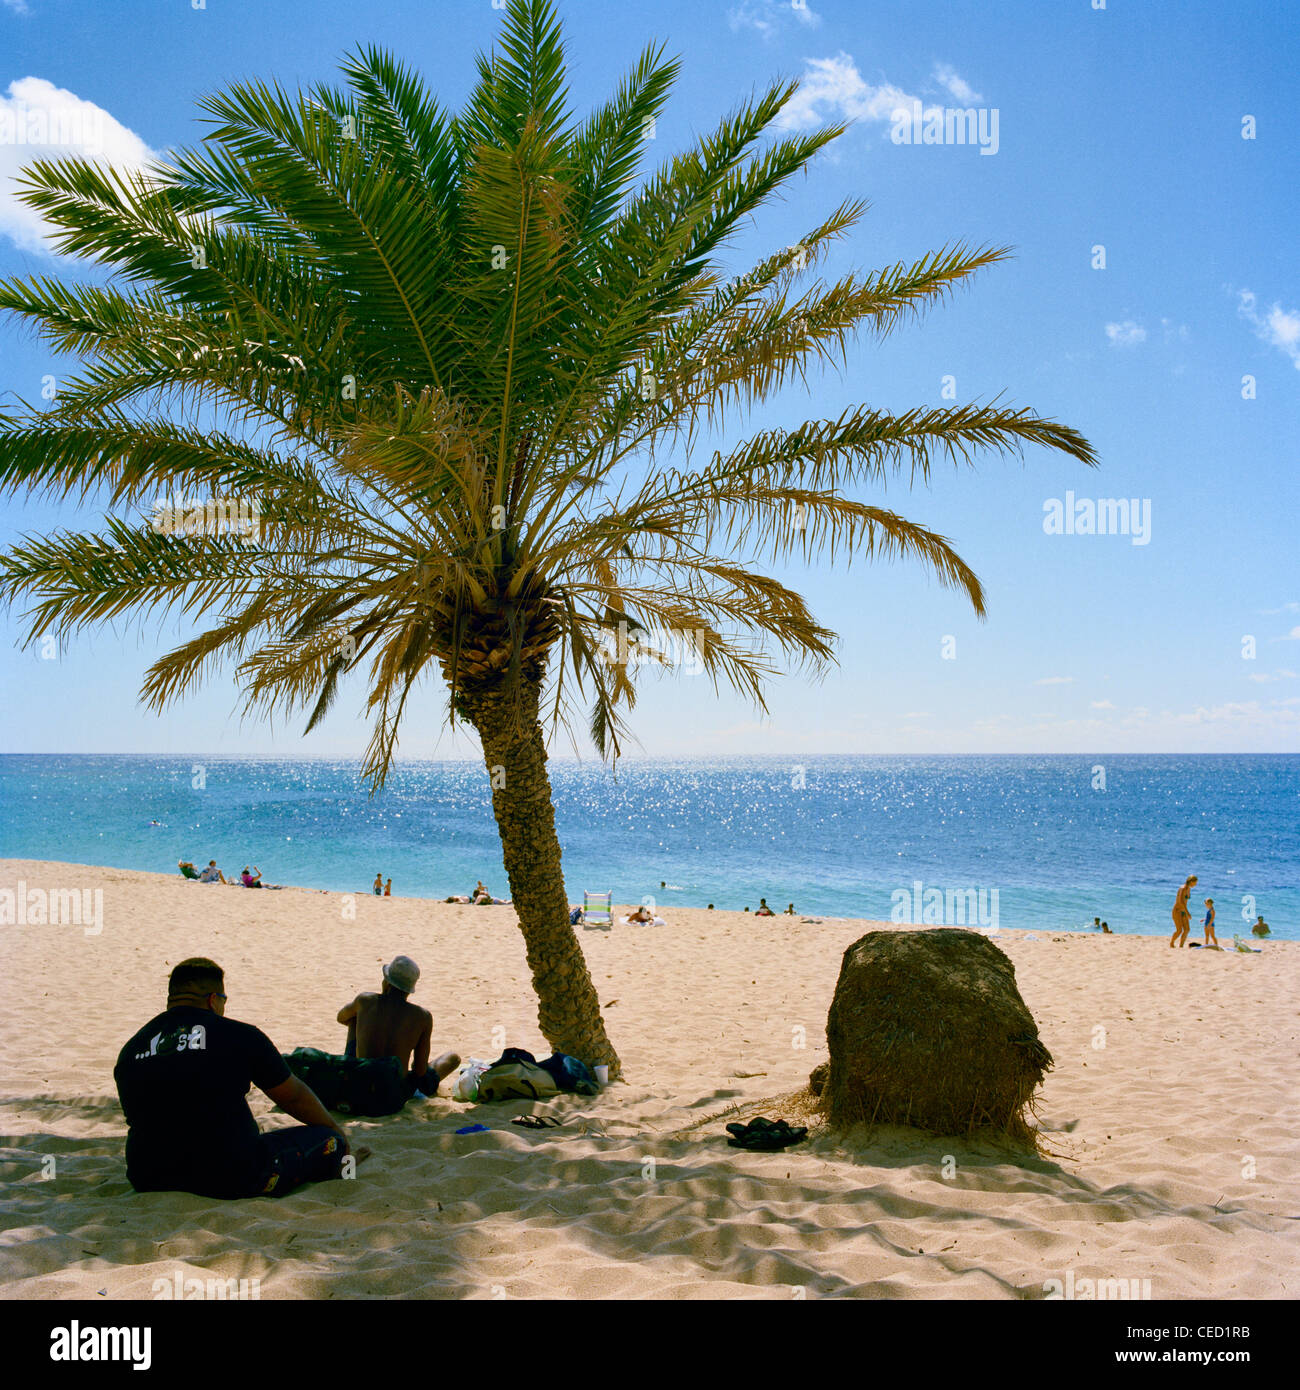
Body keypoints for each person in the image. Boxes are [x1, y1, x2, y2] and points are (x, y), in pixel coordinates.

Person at [113, 958, 358, 1199]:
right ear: (213, 1000)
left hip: (149, 1176)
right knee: (329, 1140)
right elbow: (293, 1097)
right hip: (232, 1175)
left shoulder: (132, 1049)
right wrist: (335, 1129)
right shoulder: (241, 1035)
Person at [337, 956, 459, 1100]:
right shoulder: (423, 1016)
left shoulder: (365, 1000)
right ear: (409, 990)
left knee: (354, 1017)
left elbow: (341, 1017)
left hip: (361, 1079)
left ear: (386, 983)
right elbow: (420, 1070)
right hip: (394, 1088)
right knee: (453, 1058)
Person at [1170, 875, 1197, 948]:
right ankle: (1171, 942)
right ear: (1191, 881)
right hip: (1177, 910)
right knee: (1179, 930)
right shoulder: (1182, 888)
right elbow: (1180, 902)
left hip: (1183, 911)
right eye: (1195, 883)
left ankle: (1181, 946)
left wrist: (1185, 912)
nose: (1195, 884)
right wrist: (1188, 913)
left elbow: (1185, 902)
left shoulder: (1188, 889)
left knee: (1187, 929)